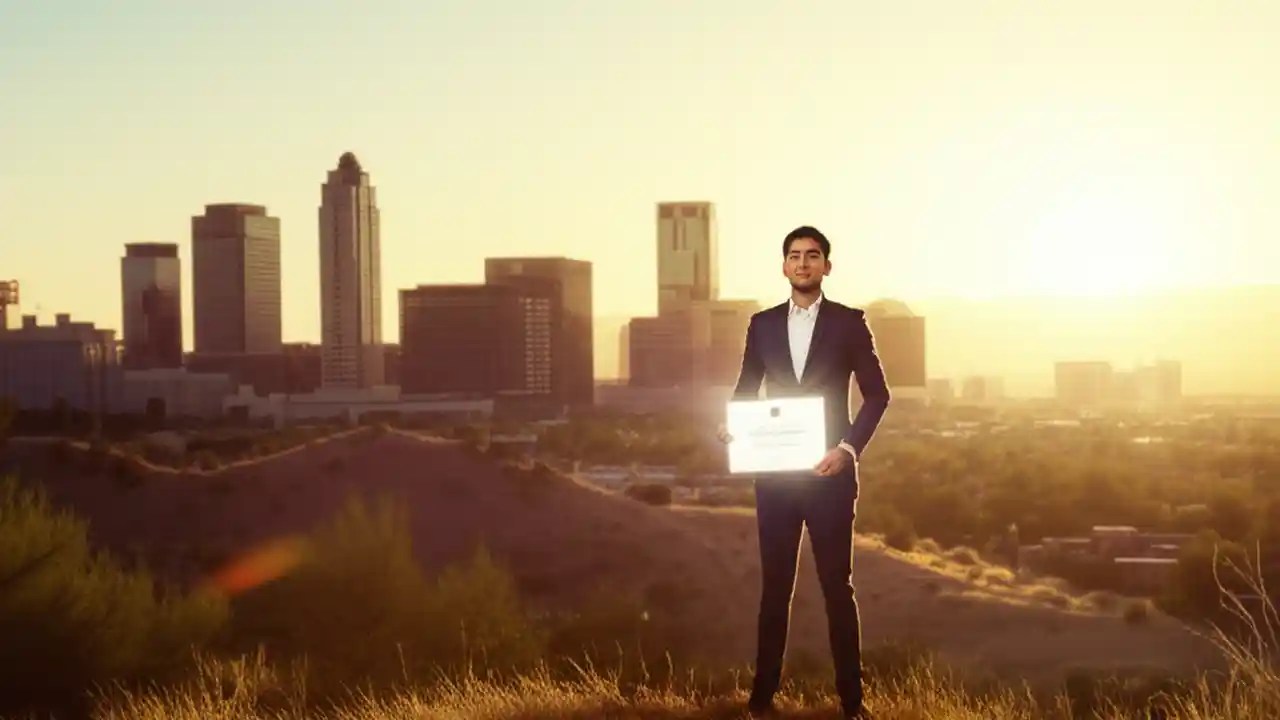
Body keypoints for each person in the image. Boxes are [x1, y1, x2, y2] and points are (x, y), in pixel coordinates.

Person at [717, 226, 890, 719]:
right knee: (775, 587)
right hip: (775, 475)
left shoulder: (849, 323)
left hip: (830, 474)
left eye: (813, 256)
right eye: (794, 256)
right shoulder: (762, 324)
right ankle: (760, 701)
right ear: (784, 266)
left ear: (826, 266)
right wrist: (734, 426)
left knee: (838, 587)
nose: (803, 263)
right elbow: (746, 388)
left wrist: (849, 449)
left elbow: (878, 395)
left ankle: (853, 705)